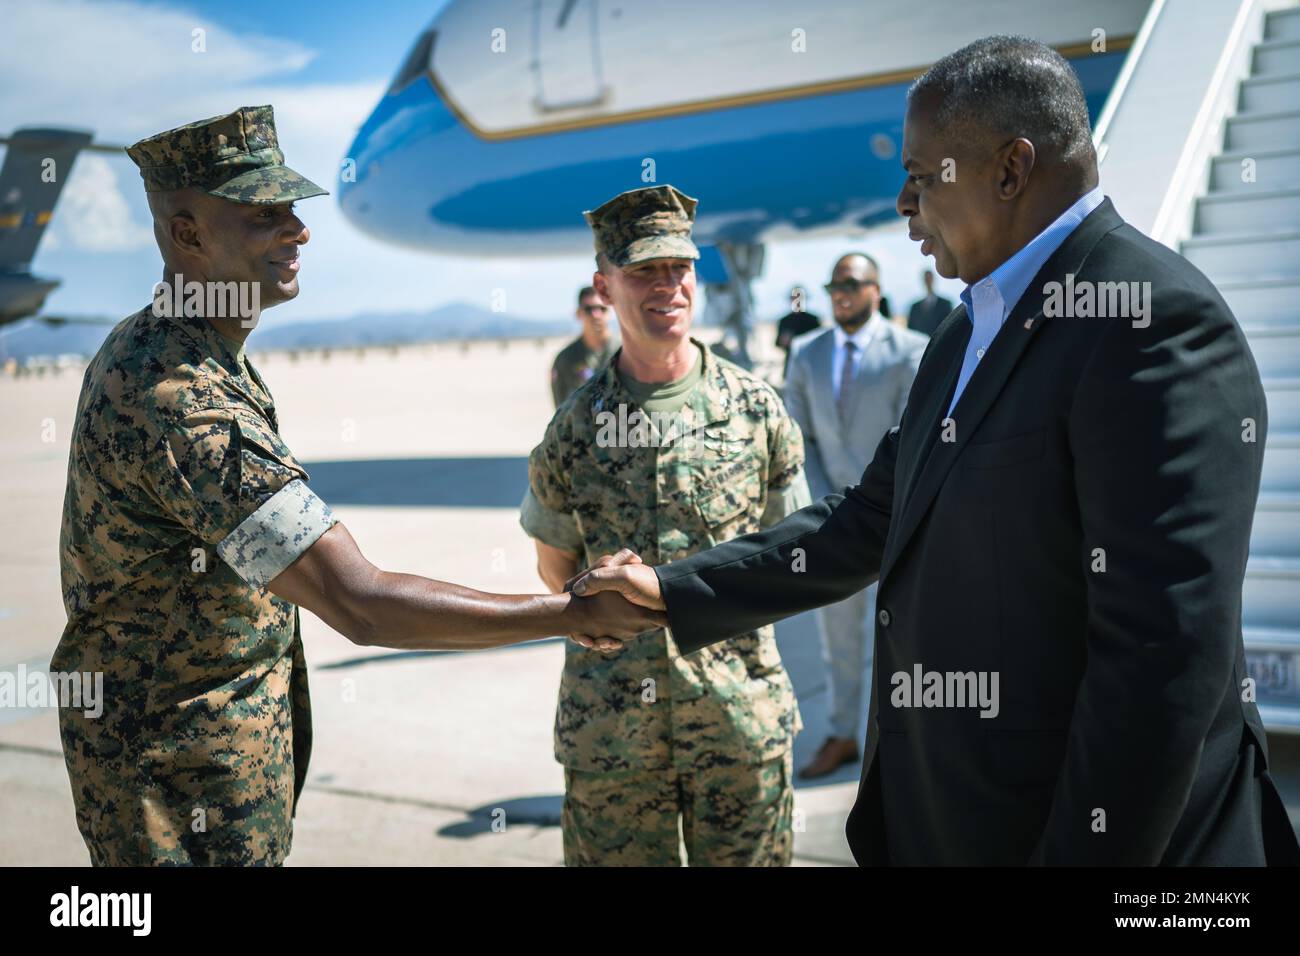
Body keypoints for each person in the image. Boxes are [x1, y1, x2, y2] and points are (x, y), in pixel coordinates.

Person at [568, 37, 1300, 866]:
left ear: (1010, 169)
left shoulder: (1151, 324)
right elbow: (871, 516)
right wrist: (672, 587)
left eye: (922, 176)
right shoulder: (965, 331)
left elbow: (1160, 664)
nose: (903, 203)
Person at [52, 106, 660, 867]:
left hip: (199, 764)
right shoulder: (181, 397)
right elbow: (360, 603)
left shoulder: (183, 347)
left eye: (294, 210)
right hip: (178, 792)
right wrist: (569, 612)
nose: (297, 231)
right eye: (263, 213)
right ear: (186, 234)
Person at [519, 184, 812, 866]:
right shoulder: (572, 430)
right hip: (614, 738)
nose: (667, 286)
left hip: (739, 726)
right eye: (643, 270)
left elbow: (796, 562)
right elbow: (555, 572)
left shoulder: (755, 410)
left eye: (678, 267)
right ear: (605, 284)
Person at [784, 253, 926, 779]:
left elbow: (914, 440)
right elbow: (801, 439)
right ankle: (843, 735)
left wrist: (882, 509)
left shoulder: (910, 352)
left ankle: (898, 743)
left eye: (850, 284)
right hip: (834, 527)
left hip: (896, 523)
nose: (839, 293)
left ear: (875, 288)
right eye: (832, 285)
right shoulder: (805, 353)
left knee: (902, 640)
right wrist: (827, 511)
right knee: (838, 641)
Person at [550, 285, 615, 406]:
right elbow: (560, 410)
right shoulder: (565, 359)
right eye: (589, 309)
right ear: (578, 313)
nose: (596, 315)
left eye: (602, 309)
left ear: (610, 312)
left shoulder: (627, 352)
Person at [773, 285, 821, 377]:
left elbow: (820, 343)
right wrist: (783, 341)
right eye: (794, 298)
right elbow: (777, 343)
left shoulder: (813, 320)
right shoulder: (784, 321)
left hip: (810, 366)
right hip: (790, 365)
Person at [907, 269, 954, 336]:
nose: (928, 281)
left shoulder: (945, 304)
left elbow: (950, 327)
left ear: (933, 280)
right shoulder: (915, 307)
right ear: (923, 281)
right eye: (926, 279)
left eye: (929, 278)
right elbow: (910, 330)